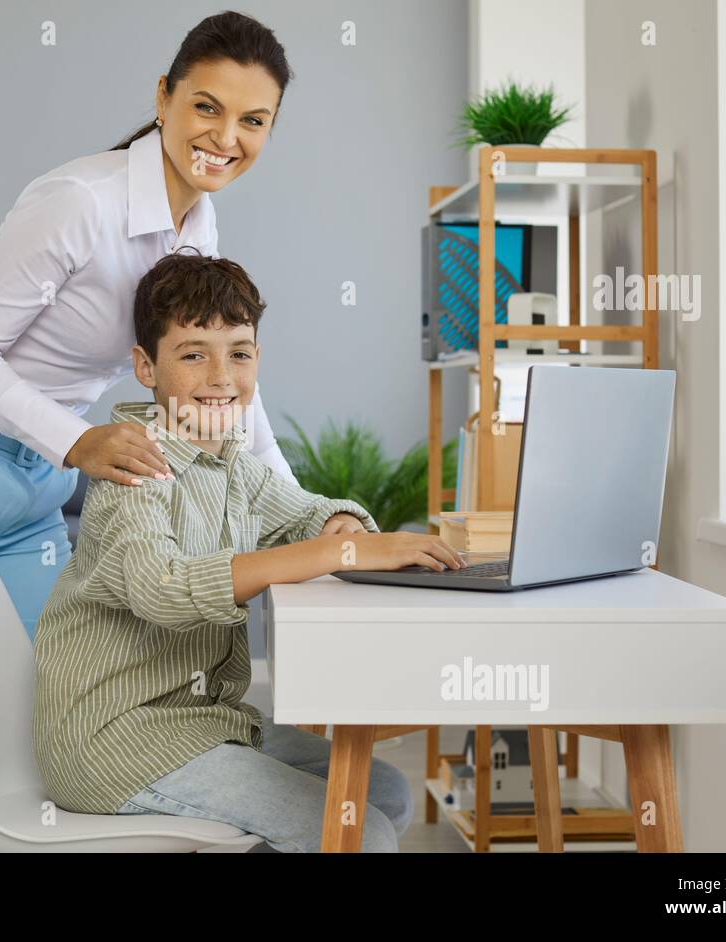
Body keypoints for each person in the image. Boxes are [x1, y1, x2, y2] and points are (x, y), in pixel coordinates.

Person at [0, 12, 310, 852]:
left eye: (253, 120)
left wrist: (308, 512)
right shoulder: (77, 204)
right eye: (206, 107)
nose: (225, 137)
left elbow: (235, 399)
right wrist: (77, 441)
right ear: (162, 99)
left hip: (30, 495)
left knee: (37, 738)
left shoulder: (197, 225)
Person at [32, 250, 465, 852]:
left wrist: (340, 524)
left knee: (385, 791)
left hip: (202, 722)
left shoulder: (229, 462)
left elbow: (303, 512)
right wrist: (341, 557)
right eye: (192, 354)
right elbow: (165, 587)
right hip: (119, 741)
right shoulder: (133, 471)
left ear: (257, 360)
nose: (220, 377)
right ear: (145, 366)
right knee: (357, 829)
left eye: (238, 353)